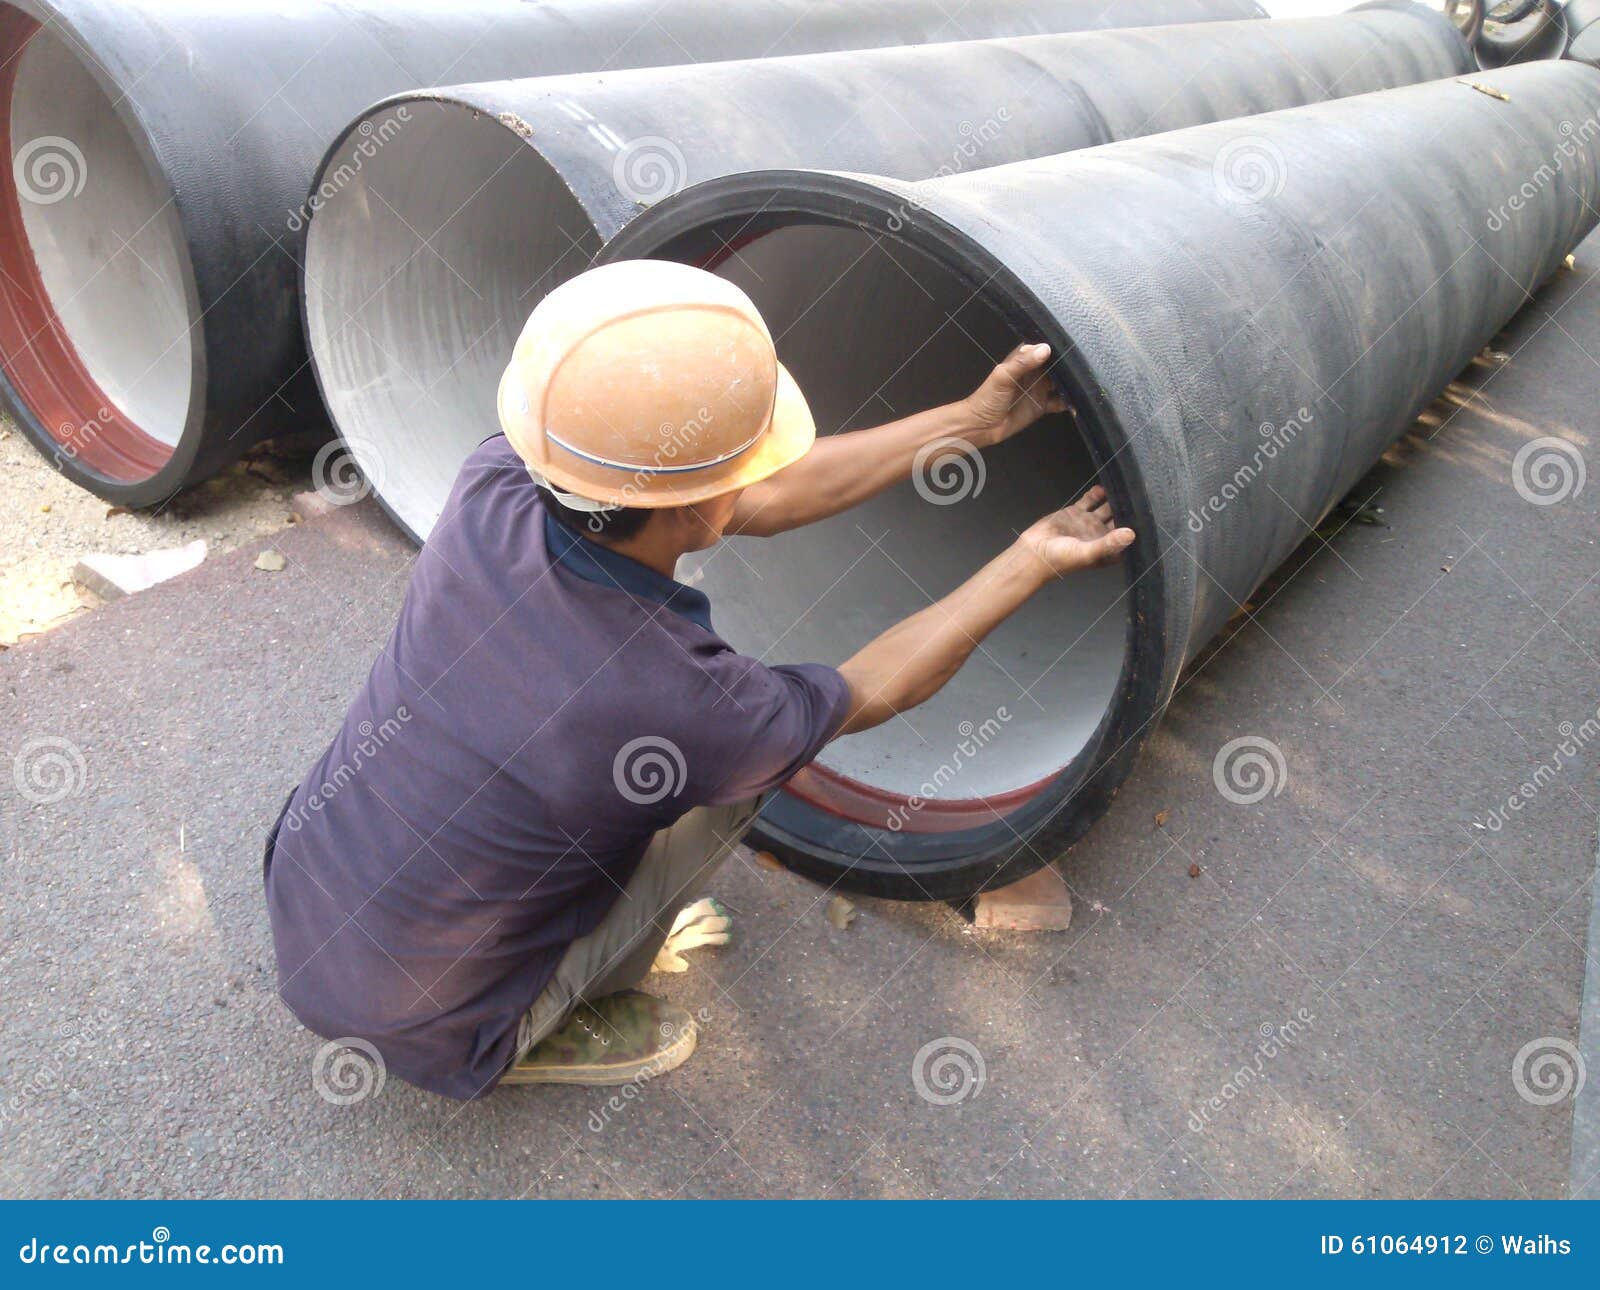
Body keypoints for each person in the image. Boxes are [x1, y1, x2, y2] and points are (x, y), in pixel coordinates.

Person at [264, 260, 1134, 1100]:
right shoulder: (684, 702)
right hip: (439, 1025)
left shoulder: (494, 484)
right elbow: (876, 688)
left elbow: (728, 497)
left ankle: (547, 936)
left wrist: (975, 424)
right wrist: (1030, 559)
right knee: (746, 774)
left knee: (674, 753)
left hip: (305, 893)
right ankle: (539, 1019)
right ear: (695, 503)